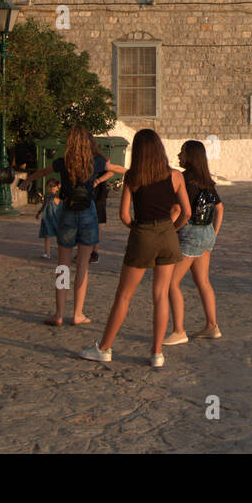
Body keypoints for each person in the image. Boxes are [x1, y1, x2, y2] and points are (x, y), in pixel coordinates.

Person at [81, 129, 189, 367]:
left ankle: (105, 347)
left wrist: (137, 229)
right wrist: (172, 228)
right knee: (160, 295)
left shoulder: (133, 177)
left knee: (124, 295)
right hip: (168, 235)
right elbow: (187, 212)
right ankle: (157, 352)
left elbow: (123, 214)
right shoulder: (175, 176)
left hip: (143, 233)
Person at [21, 126, 114, 327]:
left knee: (63, 265)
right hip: (88, 213)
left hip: (67, 213)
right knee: (83, 264)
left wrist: (27, 180)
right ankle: (78, 313)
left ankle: (59, 313)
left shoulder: (63, 163)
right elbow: (116, 169)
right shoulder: (95, 162)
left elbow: (42, 172)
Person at [164, 140, 224, 346]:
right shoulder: (206, 180)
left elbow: (178, 210)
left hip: (189, 234)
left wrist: (168, 231)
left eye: (182, 152)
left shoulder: (183, 179)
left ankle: (179, 330)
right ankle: (211, 325)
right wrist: (213, 233)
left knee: (171, 283)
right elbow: (220, 208)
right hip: (206, 233)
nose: (179, 155)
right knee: (203, 281)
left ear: (190, 157)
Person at [37, 178, 61, 259]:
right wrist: (39, 212)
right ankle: (47, 253)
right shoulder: (46, 196)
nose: (51, 188)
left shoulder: (58, 197)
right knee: (46, 236)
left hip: (56, 219)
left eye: (53, 186)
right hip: (47, 219)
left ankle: (61, 252)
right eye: (49, 186)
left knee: (59, 236)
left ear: (58, 187)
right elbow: (44, 205)